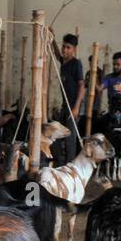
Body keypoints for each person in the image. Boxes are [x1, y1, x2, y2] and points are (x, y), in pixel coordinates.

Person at [52, 33, 85, 161]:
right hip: (65, 105)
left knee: (70, 138)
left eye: (68, 47)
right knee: (56, 134)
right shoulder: (63, 61)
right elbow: (56, 53)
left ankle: (70, 165)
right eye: (63, 46)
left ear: (74, 49)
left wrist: (76, 108)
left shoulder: (76, 64)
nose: (65, 50)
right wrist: (52, 38)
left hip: (73, 105)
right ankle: (59, 163)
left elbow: (82, 86)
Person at [100, 52, 121, 123]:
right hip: (114, 111)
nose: (115, 67)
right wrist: (93, 78)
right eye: (114, 64)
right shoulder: (109, 78)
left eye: (118, 64)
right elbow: (99, 88)